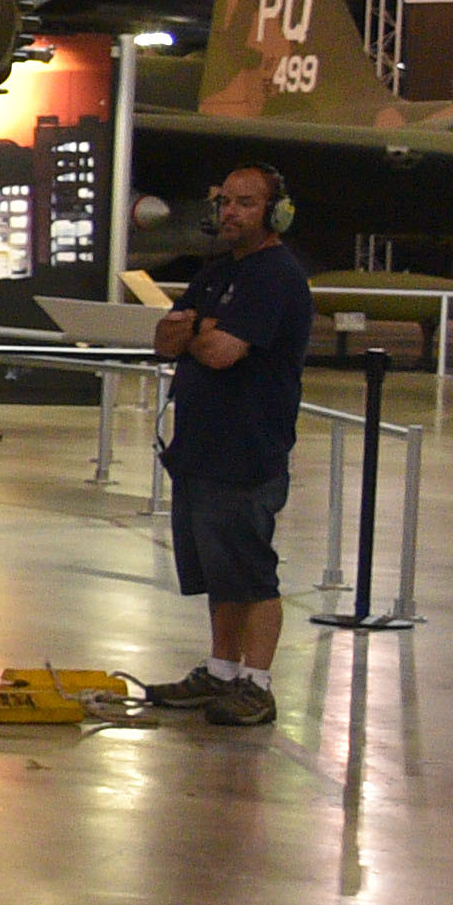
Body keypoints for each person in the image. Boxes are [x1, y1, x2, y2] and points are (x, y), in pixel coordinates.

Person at [145, 160, 312, 729]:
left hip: (246, 451)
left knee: (250, 571)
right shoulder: (216, 274)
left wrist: (197, 332)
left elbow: (222, 352)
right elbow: (166, 339)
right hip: (199, 449)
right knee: (219, 573)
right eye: (227, 202)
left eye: (246, 202)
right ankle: (220, 671)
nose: (232, 212)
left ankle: (257, 685)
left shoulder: (277, 275)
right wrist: (200, 331)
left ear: (275, 213)